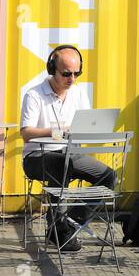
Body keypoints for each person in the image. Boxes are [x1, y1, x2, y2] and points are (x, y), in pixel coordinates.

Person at [19, 46, 115, 252]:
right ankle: (58, 229)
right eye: (66, 74)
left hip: (70, 153)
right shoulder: (34, 95)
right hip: (37, 156)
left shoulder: (78, 93)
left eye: (77, 73)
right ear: (51, 69)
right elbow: (26, 133)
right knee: (62, 164)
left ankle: (69, 220)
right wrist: (58, 132)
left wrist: (97, 130)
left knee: (109, 176)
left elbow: (85, 126)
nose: (72, 78)